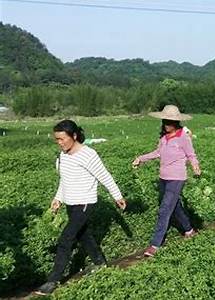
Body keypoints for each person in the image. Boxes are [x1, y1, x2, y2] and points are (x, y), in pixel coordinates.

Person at [35, 120, 127, 296]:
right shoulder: (63, 155)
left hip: (85, 203)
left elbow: (104, 176)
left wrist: (117, 196)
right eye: (57, 139)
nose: (59, 143)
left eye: (62, 139)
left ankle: (52, 280)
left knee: (66, 238)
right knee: (84, 235)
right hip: (70, 203)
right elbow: (65, 179)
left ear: (74, 136)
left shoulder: (88, 154)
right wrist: (58, 198)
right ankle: (100, 263)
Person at [132, 105, 200, 257]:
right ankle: (189, 230)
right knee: (174, 206)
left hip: (177, 178)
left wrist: (195, 166)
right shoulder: (163, 138)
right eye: (165, 121)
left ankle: (155, 244)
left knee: (164, 210)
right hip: (164, 177)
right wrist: (141, 158)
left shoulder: (183, 136)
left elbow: (191, 154)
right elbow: (158, 153)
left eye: (170, 121)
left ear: (176, 122)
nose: (166, 124)